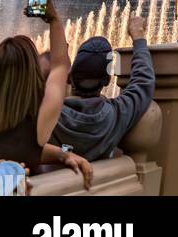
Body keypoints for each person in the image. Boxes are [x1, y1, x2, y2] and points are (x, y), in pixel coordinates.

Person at [0, 0, 92, 188]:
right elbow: (60, 66)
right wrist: (54, 20)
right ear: (32, 76)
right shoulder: (39, 120)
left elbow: (10, 148)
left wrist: (62, 154)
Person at [53, 16, 154, 161]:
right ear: (107, 81)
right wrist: (138, 37)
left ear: (69, 78)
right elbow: (143, 82)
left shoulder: (50, 116)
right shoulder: (116, 115)